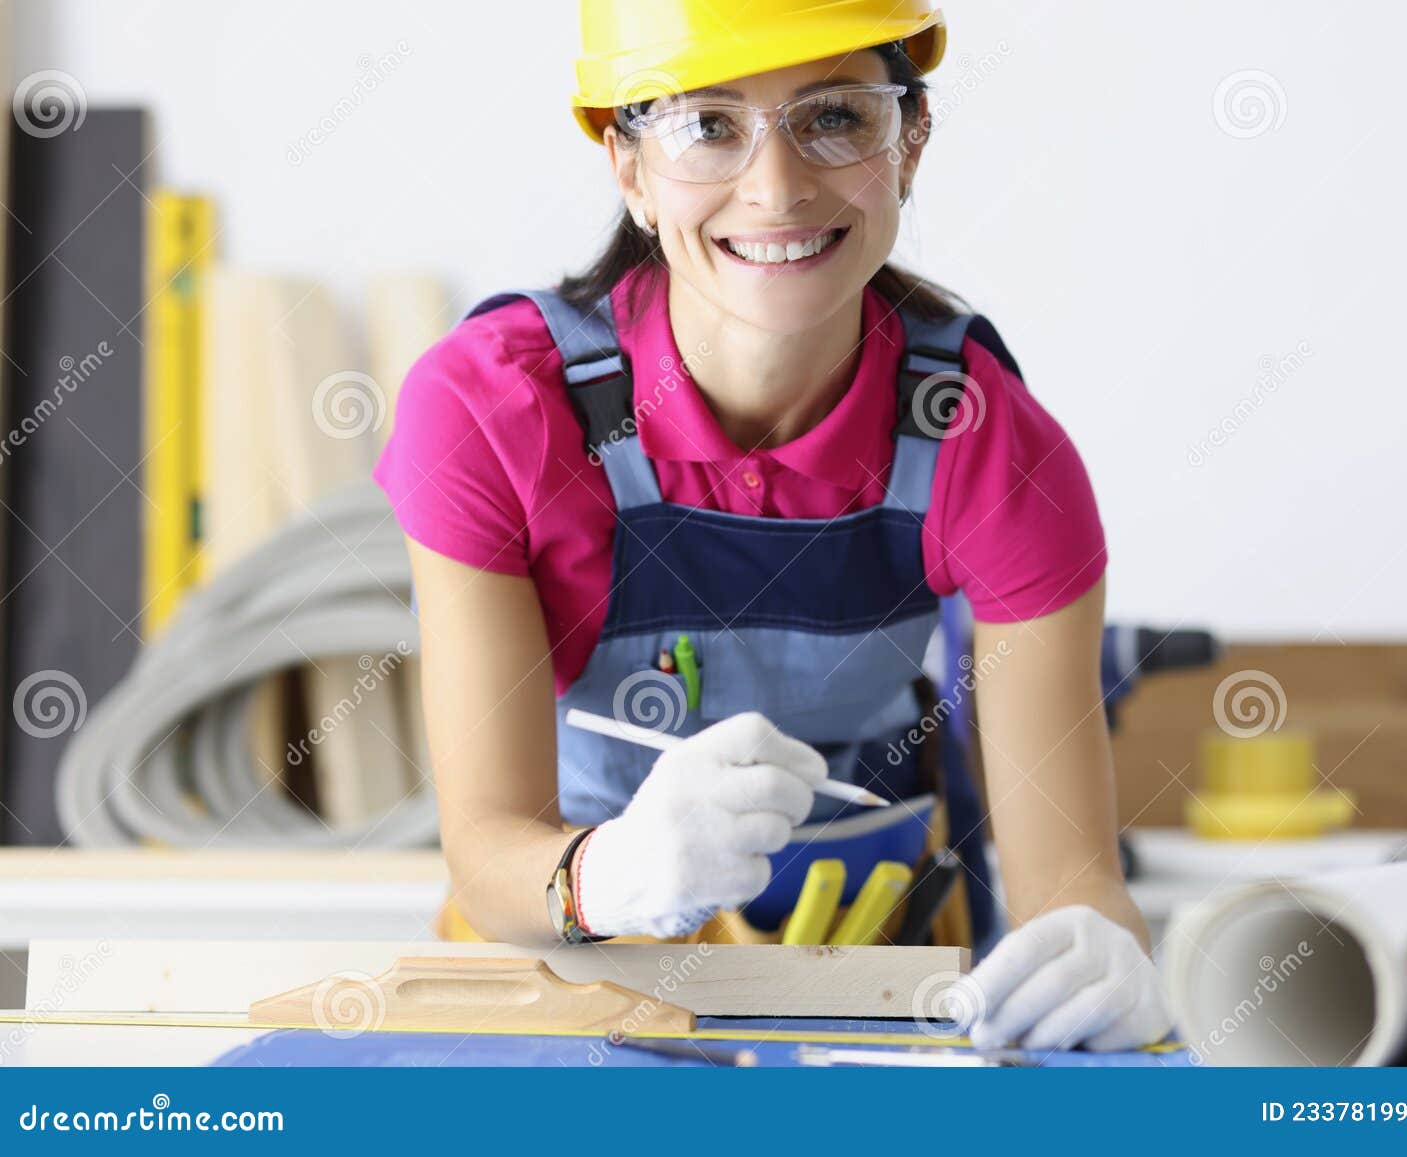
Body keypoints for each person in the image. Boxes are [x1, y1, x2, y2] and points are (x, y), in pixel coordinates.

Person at [373, 0, 1172, 1052]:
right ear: (628, 167)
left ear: (910, 139)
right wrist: (615, 871)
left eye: (833, 116)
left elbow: (1070, 882)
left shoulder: (988, 443)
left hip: (869, 990)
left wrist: (1104, 952)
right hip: (561, 983)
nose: (776, 188)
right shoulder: (491, 410)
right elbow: (486, 848)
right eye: (709, 124)